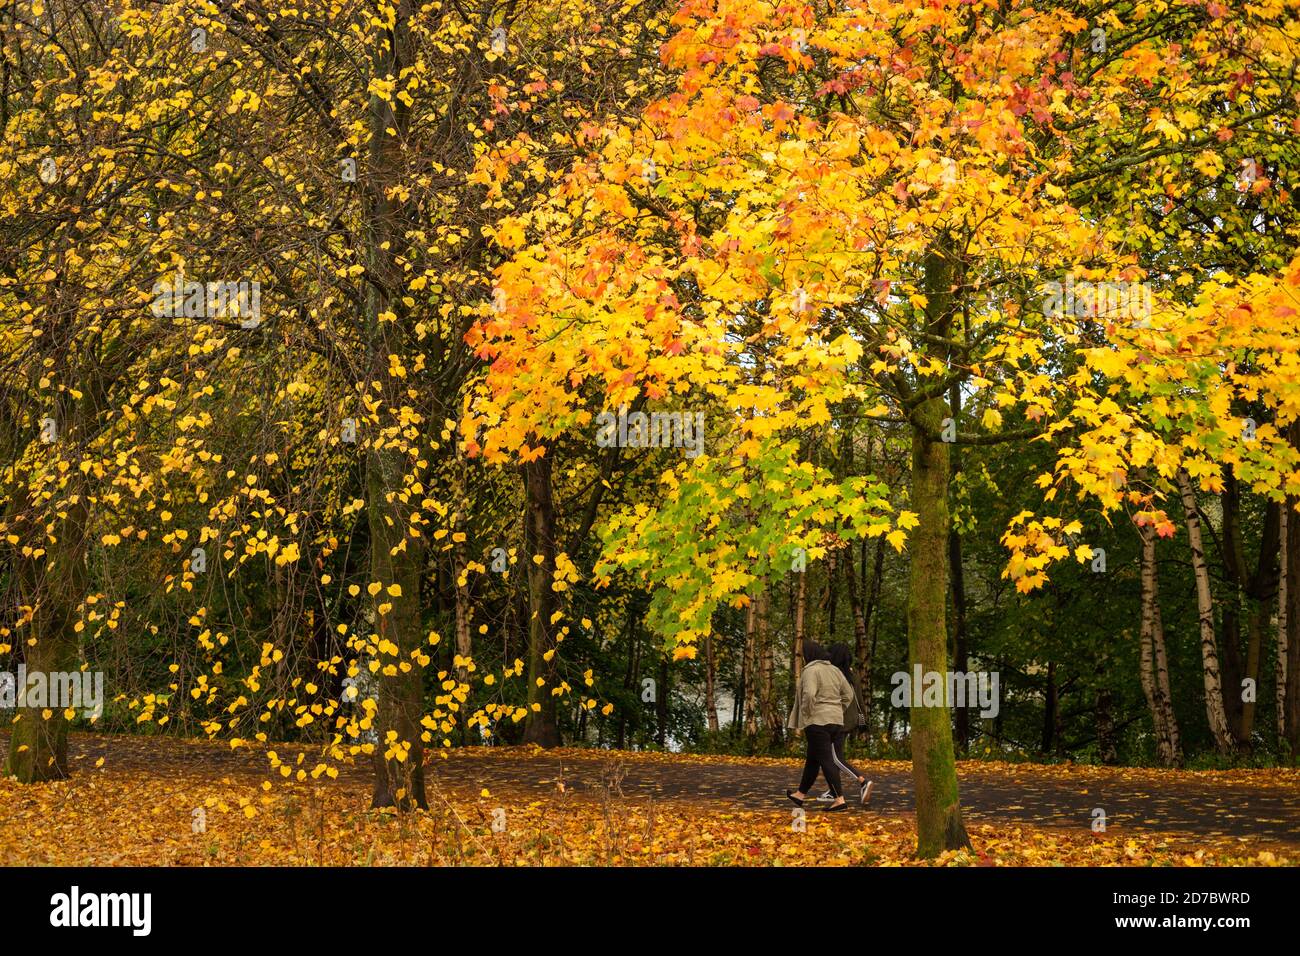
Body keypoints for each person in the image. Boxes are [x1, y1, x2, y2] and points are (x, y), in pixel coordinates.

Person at [785, 640, 854, 812]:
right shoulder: (835, 670)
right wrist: (839, 708)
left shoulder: (811, 670)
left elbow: (809, 694)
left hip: (818, 721)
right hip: (836, 721)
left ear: (809, 655)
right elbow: (849, 694)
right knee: (813, 759)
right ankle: (800, 794)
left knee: (825, 760)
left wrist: (808, 713)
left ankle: (839, 800)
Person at [821, 642, 872, 805]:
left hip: (837, 721)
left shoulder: (834, 675)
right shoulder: (852, 674)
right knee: (835, 754)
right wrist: (862, 719)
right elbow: (860, 700)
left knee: (835, 758)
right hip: (849, 721)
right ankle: (833, 790)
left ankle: (863, 782)